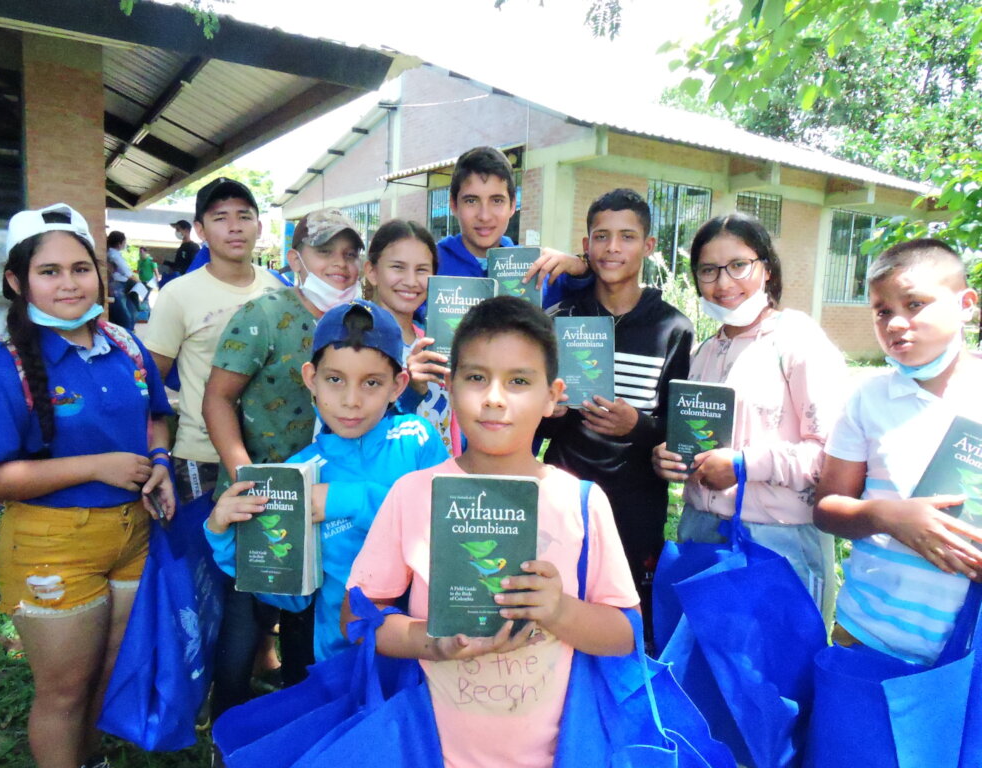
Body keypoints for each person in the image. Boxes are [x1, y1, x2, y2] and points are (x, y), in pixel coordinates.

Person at [344, 296, 640, 768]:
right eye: (476, 377)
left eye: (519, 381)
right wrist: (430, 641)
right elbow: (358, 618)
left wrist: (559, 610)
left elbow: (625, 632)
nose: (494, 398)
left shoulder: (581, 502)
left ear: (553, 395)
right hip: (430, 749)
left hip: (556, 754)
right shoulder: (414, 493)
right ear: (450, 383)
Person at [0, 203, 175, 768]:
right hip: (52, 547)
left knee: (108, 673)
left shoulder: (124, 344)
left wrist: (159, 460)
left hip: (134, 535)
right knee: (63, 693)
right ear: (16, 280)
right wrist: (96, 466)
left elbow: (157, 414)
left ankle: (91, 761)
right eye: (49, 271)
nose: (69, 283)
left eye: (81, 268)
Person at [204, 300, 448, 661]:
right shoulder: (298, 474)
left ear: (398, 386)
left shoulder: (418, 439)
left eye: (371, 383)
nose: (351, 401)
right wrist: (223, 535)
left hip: (424, 655)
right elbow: (289, 594)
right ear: (310, 379)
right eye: (335, 380)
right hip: (338, 659)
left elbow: (444, 534)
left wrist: (348, 499)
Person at [202, 207, 364, 716]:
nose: (340, 263)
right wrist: (244, 475)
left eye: (349, 253)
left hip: (325, 503)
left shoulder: (356, 321)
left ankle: (297, 723)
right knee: (246, 620)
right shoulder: (265, 315)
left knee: (306, 620)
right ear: (296, 258)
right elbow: (217, 399)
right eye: (325, 251)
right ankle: (227, 727)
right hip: (261, 498)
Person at [652, 212, 846, 616]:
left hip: (777, 543)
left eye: (738, 265)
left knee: (774, 672)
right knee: (703, 670)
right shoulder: (705, 352)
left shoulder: (797, 340)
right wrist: (669, 457)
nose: (723, 283)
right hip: (703, 534)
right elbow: (697, 443)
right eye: (708, 270)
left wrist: (742, 466)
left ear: (767, 269)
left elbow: (829, 455)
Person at [815, 238, 982, 663]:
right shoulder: (867, 399)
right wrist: (886, 516)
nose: (895, 323)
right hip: (868, 634)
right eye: (882, 311)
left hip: (966, 648)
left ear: (966, 305)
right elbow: (827, 507)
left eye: (914, 304)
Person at [540, 189, 693, 636]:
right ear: (585, 246)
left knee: (627, 620)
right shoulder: (559, 318)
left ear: (648, 246)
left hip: (636, 503)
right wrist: (551, 409)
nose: (612, 248)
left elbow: (680, 429)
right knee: (559, 611)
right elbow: (533, 407)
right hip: (565, 491)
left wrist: (639, 427)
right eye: (601, 237)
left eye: (627, 237)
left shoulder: (673, 328)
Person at [144, 178, 284, 503]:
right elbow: (151, 382)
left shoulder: (278, 289)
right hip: (202, 458)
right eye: (220, 218)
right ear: (201, 230)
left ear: (259, 227)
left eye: (244, 216)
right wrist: (157, 454)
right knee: (205, 552)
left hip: (271, 456)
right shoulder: (178, 295)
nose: (235, 227)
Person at [427, 146, 591, 316]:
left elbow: (597, 296)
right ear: (453, 205)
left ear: (513, 205)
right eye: (471, 201)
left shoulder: (535, 268)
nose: (484, 216)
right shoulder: (429, 264)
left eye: (497, 201)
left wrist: (580, 267)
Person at [363, 219, 459, 454]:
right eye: (397, 267)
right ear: (372, 272)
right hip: (384, 485)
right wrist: (411, 390)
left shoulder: (435, 339)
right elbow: (351, 425)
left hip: (438, 478)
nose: (411, 281)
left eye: (422, 270)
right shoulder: (354, 340)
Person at [106, 230, 136, 331]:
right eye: (124, 242)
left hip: (119, 285)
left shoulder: (114, 253)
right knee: (125, 315)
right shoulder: (113, 254)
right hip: (117, 285)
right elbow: (126, 271)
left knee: (128, 310)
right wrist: (135, 279)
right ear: (119, 244)